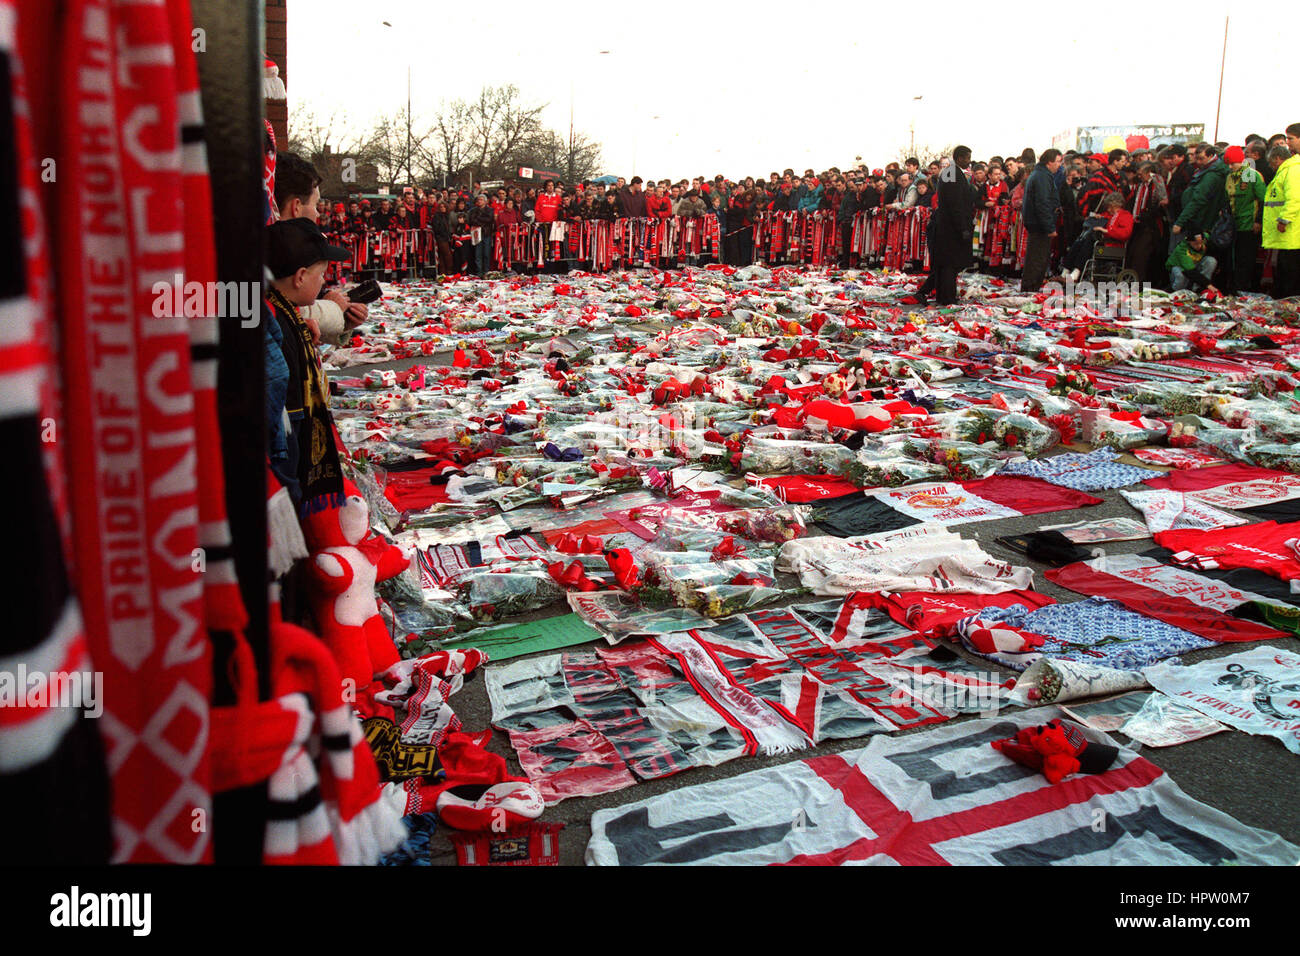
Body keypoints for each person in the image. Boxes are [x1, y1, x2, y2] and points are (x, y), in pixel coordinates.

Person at [264, 218, 351, 513]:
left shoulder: (280, 312)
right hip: (287, 474)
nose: (324, 283)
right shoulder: (276, 326)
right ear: (300, 276)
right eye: (321, 274)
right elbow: (288, 420)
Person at [924, 146, 975, 305]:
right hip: (950, 228)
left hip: (947, 225)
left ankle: (944, 295)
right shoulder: (952, 173)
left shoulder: (951, 173)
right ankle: (947, 297)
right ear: (959, 158)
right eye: (967, 158)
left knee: (946, 265)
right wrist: (962, 228)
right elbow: (955, 204)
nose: (969, 161)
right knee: (949, 265)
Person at [1223, 145, 1267, 293]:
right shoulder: (1229, 177)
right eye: (1228, 164)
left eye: (1233, 163)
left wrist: (1258, 221)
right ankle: (1233, 288)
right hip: (1233, 226)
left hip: (1249, 225)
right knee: (1232, 259)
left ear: (1241, 161)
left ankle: (1244, 289)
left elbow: (1263, 200)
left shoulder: (1253, 175)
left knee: (1245, 259)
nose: (1230, 167)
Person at [1263, 126, 1300, 298]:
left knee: (1290, 277)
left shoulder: (1293, 169)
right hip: (1288, 235)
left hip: (1291, 233)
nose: (1287, 142)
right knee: (1285, 274)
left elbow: (1295, 198)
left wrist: (1284, 219)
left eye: (1290, 138)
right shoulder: (1290, 168)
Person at [1021, 149, 1063, 292]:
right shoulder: (1041, 177)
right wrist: (1050, 227)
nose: (1059, 165)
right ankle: (1030, 290)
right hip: (1039, 226)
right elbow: (1042, 203)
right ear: (1049, 161)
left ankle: (1031, 289)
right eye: (1058, 161)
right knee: (1037, 260)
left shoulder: (1042, 174)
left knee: (1038, 258)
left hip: (1038, 224)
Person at [1172, 144, 1229, 245]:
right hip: (1199, 218)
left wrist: (1180, 222)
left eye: (1201, 159)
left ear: (1211, 156)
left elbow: (1198, 199)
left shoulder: (1212, 175)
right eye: (1196, 158)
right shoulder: (1206, 169)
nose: (1198, 162)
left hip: (1202, 221)